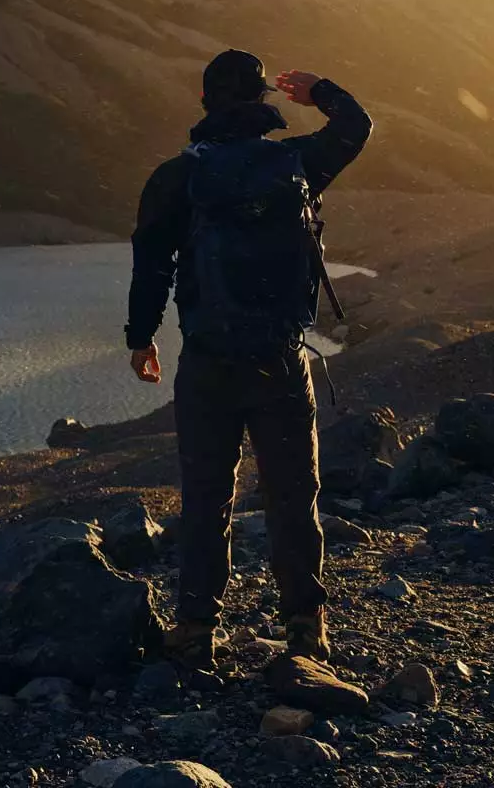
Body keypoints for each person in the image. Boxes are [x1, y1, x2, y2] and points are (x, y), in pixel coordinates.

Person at [124, 48, 372, 674]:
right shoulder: (296, 164)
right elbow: (357, 127)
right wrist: (321, 90)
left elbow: (151, 261)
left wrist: (141, 335)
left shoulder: (177, 176)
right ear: (264, 103)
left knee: (207, 496)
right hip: (281, 361)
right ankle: (305, 630)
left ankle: (195, 628)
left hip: (208, 363)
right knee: (292, 494)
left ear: (205, 103)